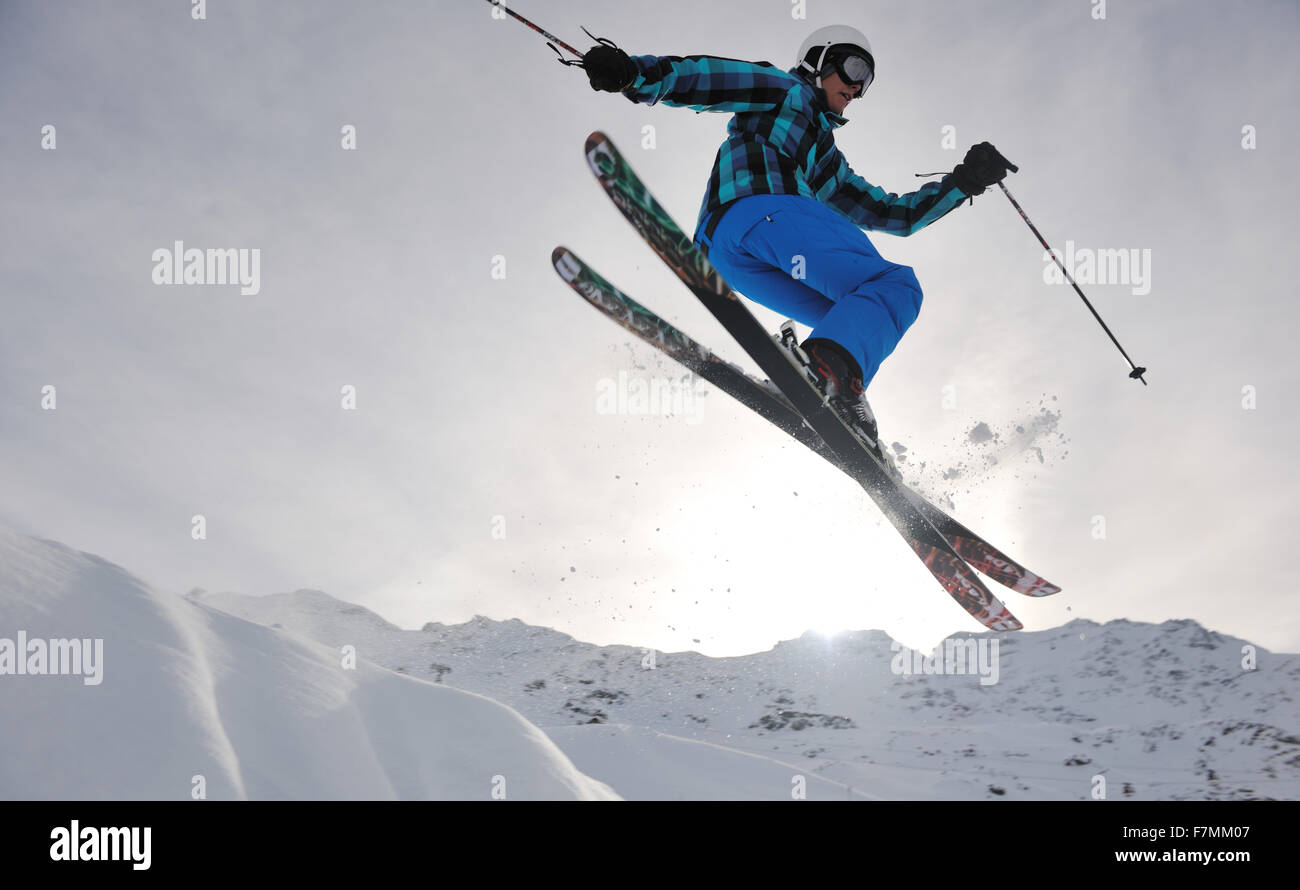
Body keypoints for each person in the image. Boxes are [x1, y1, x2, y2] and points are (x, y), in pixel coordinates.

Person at [582, 25, 1012, 448]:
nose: (857, 87)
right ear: (818, 60)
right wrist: (634, 74)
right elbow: (710, 77)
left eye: (867, 82)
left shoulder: (826, 162)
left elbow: (892, 214)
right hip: (760, 211)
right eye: (853, 68)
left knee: (859, 311)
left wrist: (964, 182)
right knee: (895, 286)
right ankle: (827, 370)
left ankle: (835, 384)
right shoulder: (784, 89)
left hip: (735, 258)